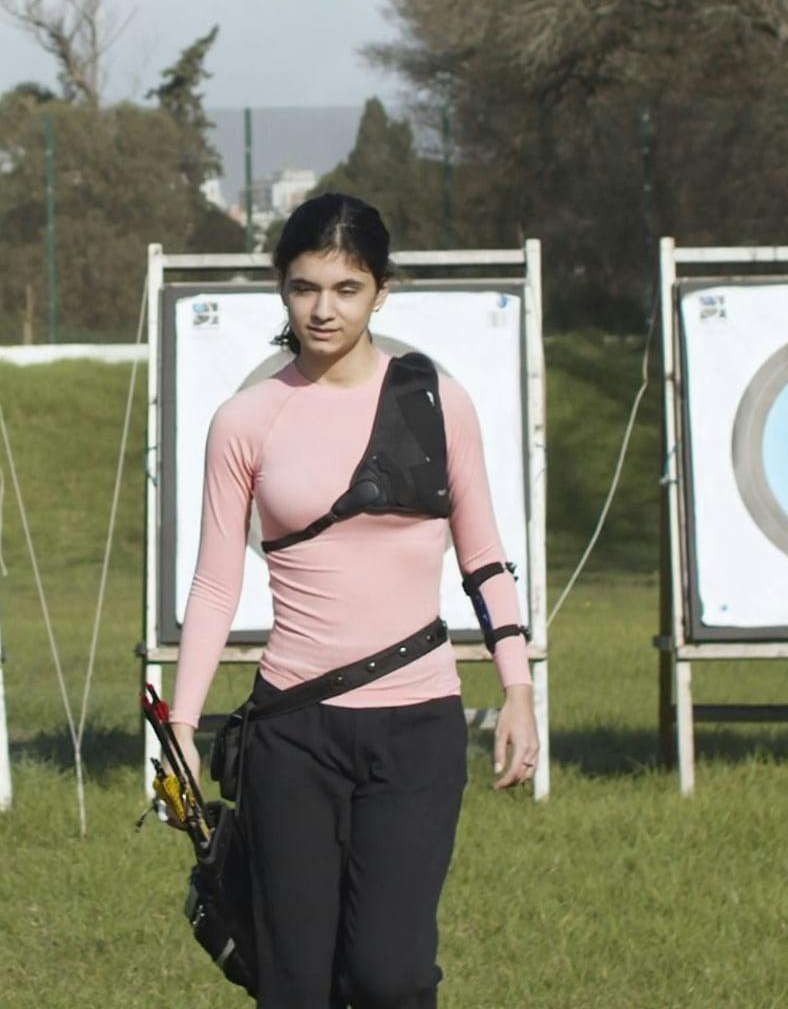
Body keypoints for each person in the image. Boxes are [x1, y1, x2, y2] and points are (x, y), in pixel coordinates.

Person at [167, 192, 539, 1009]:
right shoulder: (245, 420)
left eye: (346, 288)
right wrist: (183, 728)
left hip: (419, 728)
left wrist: (518, 688)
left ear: (382, 291)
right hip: (293, 735)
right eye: (304, 288)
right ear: (280, 289)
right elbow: (215, 584)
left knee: (391, 976)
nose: (323, 309)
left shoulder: (439, 401)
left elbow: (483, 556)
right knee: (293, 981)